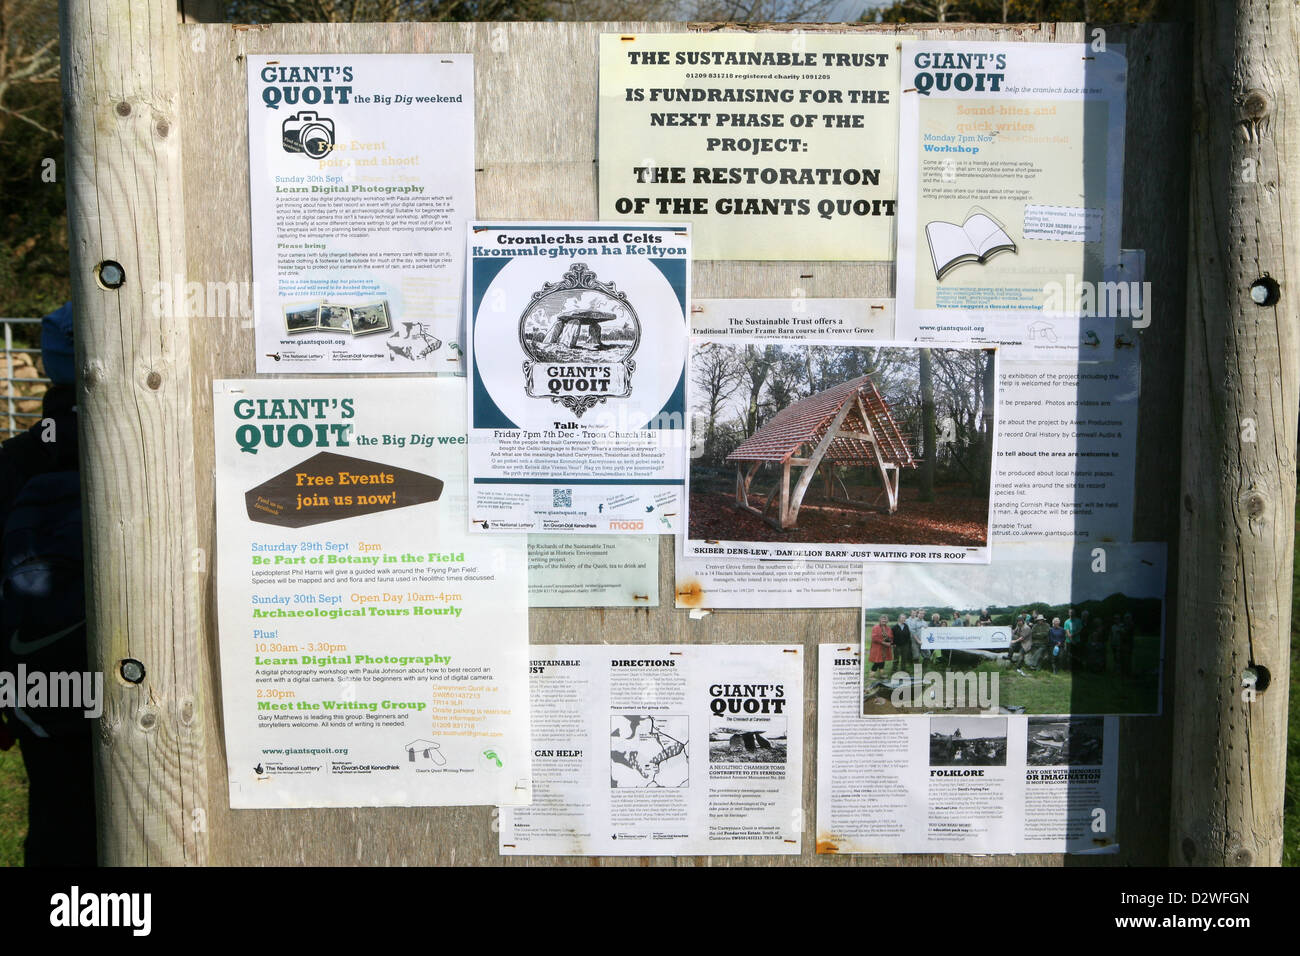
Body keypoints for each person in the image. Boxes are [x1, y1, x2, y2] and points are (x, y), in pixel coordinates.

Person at [0, 302, 95, 866]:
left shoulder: (12, 462)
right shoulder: (154, 453)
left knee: (59, 821)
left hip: (38, 690)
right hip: (149, 678)